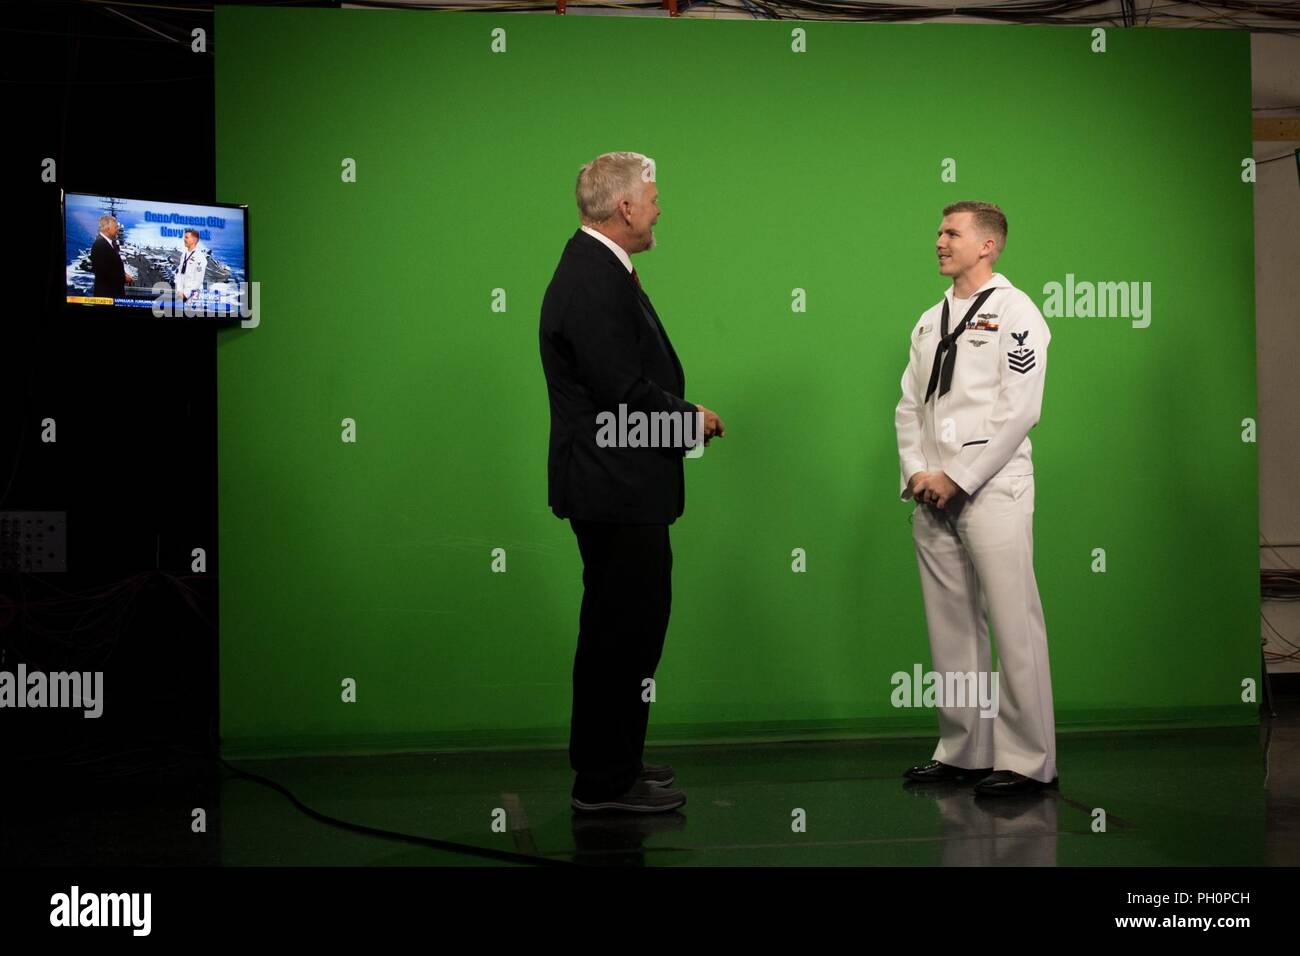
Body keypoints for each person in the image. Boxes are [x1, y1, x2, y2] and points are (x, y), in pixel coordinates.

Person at [539, 151, 724, 813]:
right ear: (624, 207)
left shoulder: (600, 269)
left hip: (619, 486)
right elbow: (622, 394)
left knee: (627, 632)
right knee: (622, 636)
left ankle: (617, 762)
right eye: (652, 195)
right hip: (613, 489)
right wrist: (690, 423)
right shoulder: (593, 279)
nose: (657, 207)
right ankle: (604, 782)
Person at [894, 201, 1058, 796]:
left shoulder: (1018, 315)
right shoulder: (928, 320)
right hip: (931, 497)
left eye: (952, 232)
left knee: (1014, 623)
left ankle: (1027, 760)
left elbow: (1021, 411)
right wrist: (918, 472)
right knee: (952, 629)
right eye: (938, 230)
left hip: (992, 490)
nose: (939, 240)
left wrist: (958, 476)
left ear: (988, 245)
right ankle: (965, 749)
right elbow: (909, 406)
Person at [89, 215, 133, 299]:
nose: (118, 230)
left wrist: (123, 273)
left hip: (113, 294)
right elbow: (103, 273)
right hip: (107, 297)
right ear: (107, 229)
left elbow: (112, 266)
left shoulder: (110, 243)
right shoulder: (100, 245)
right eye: (116, 227)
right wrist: (124, 278)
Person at [175, 228, 208, 304]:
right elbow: (179, 273)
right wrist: (179, 290)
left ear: (193, 240)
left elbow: (198, 281)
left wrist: (185, 295)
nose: (184, 239)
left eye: (186, 237)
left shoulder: (200, 258)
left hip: (193, 296)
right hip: (181, 294)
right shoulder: (184, 255)